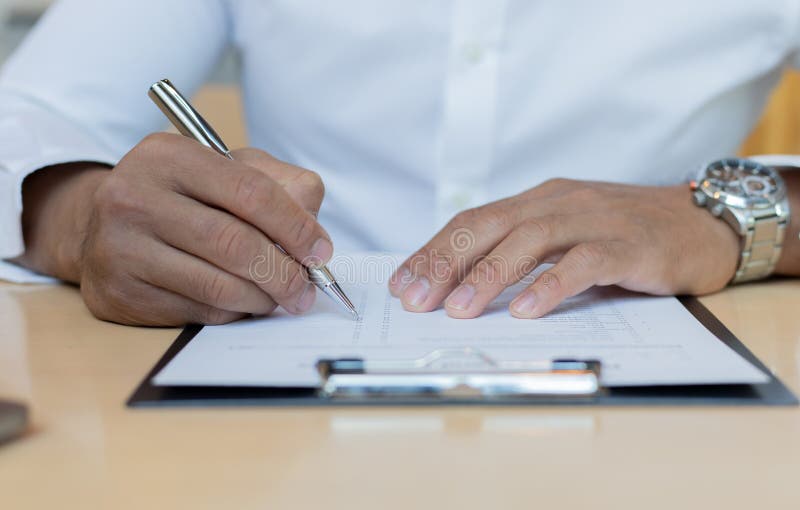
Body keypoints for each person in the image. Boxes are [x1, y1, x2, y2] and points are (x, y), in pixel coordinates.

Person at [0, 0, 798, 326]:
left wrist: (730, 216)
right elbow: (28, 114)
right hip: (266, 385)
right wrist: (79, 219)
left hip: (668, 422)